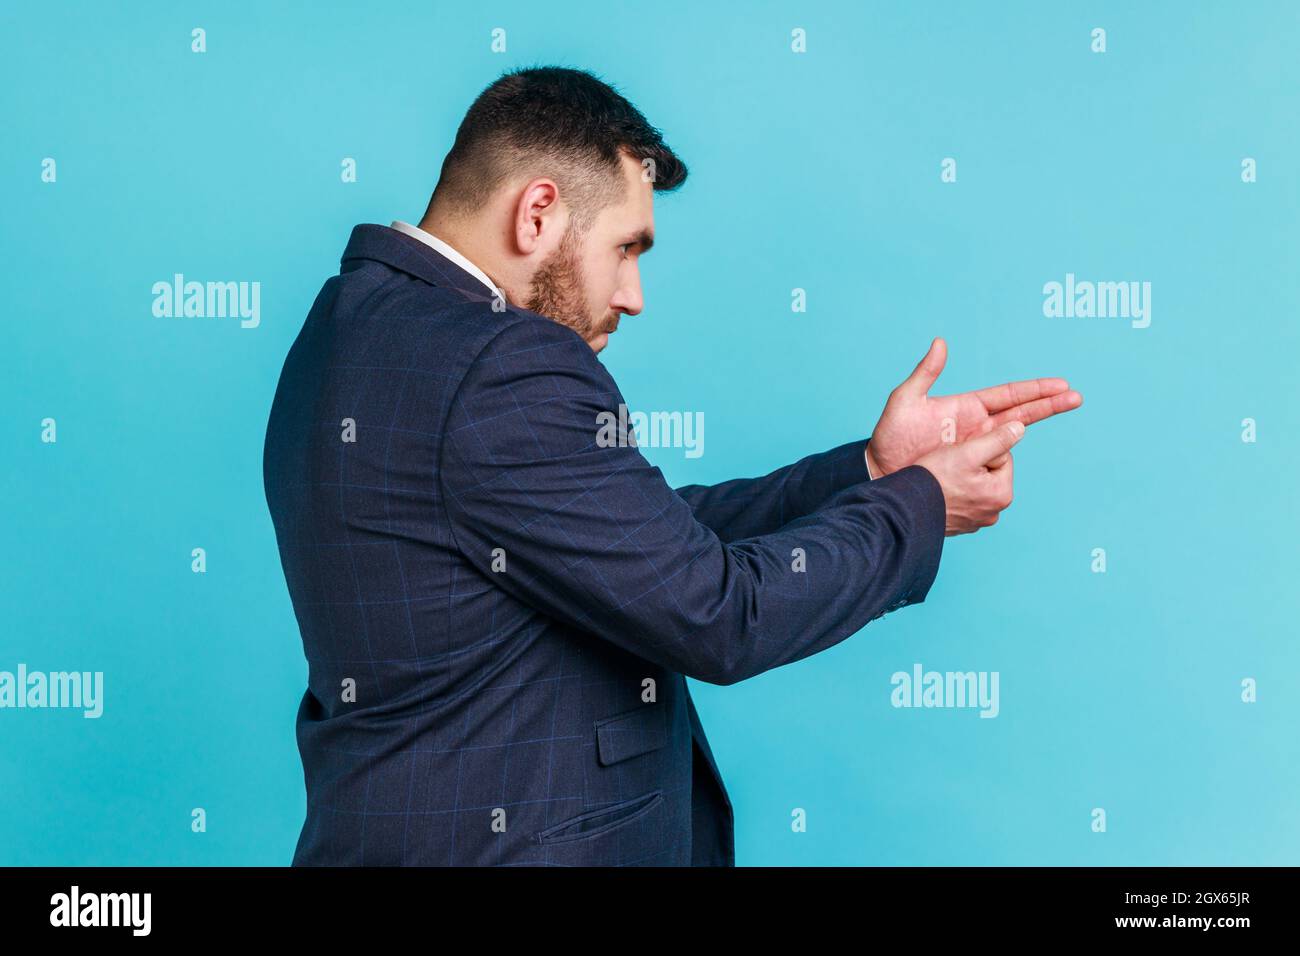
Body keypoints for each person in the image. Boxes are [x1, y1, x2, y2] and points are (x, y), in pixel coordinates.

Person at [262, 66, 1082, 866]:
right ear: (538, 212)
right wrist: (921, 506)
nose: (634, 294)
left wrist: (871, 470)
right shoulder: (502, 363)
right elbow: (721, 614)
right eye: (626, 247)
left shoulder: (345, 329)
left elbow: (621, 537)